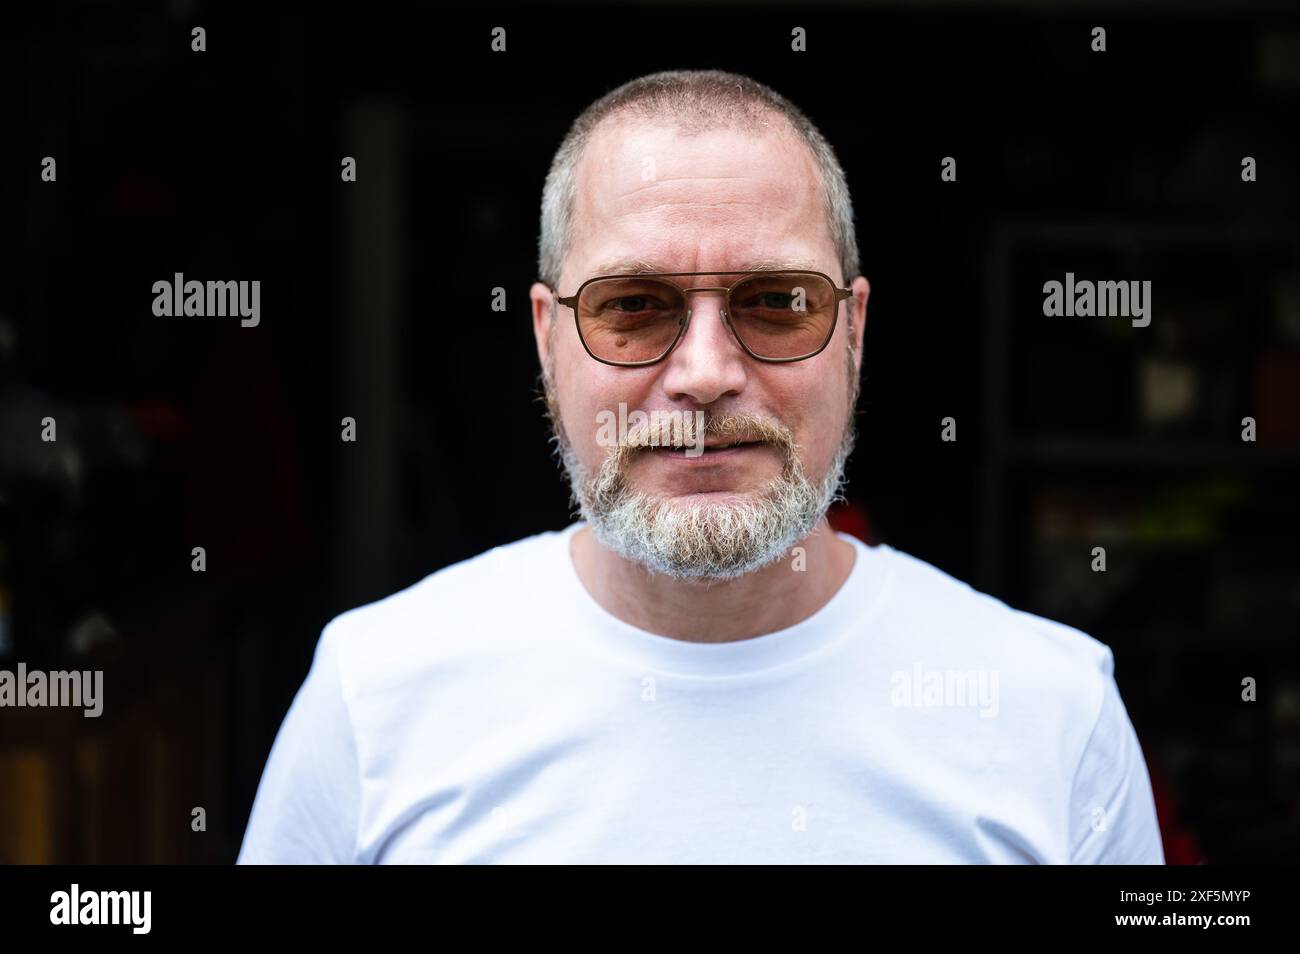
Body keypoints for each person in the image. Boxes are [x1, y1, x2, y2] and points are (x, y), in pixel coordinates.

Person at [237, 69, 1164, 864]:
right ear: (547, 339)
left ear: (856, 333)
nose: (707, 374)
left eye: (776, 301)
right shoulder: (376, 695)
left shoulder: (1052, 713)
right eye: (633, 305)